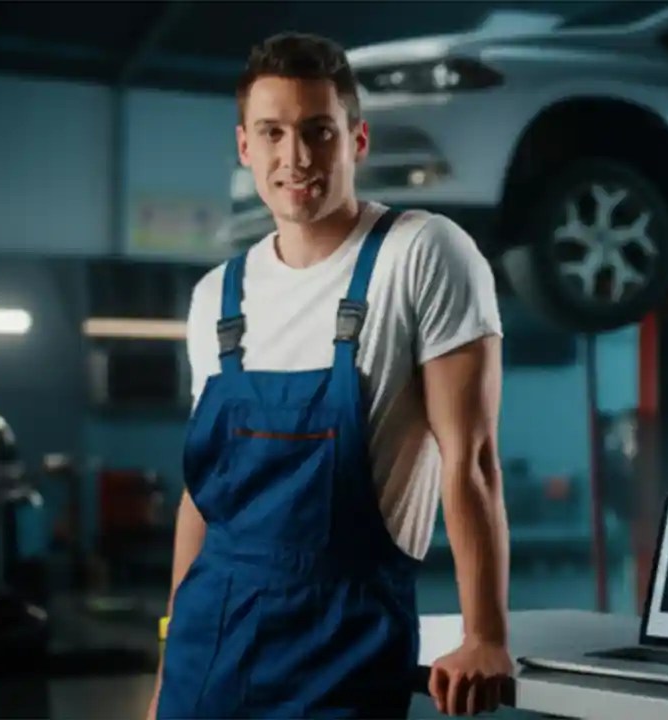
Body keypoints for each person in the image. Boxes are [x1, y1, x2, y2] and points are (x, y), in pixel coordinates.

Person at [147, 32, 513, 718]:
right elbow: (202, 502)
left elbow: (474, 459)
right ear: (245, 147)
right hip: (209, 644)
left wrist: (485, 633)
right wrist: (171, 664)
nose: (297, 157)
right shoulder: (216, 296)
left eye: (319, 131)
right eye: (273, 132)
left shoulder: (423, 253)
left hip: (342, 642)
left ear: (358, 139)